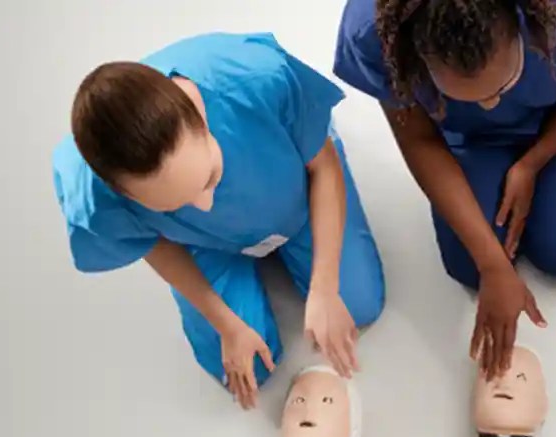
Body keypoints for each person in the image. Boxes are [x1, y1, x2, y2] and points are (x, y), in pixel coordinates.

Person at [52, 33, 385, 410]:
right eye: (176, 205)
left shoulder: (257, 81)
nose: (206, 205)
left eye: (210, 178)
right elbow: (150, 243)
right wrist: (226, 323)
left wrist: (324, 288)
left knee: (357, 305)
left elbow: (323, 166)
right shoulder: (98, 199)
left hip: (295, 189)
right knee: (247, 369)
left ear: (200, 112)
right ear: (123, 194)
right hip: (202, 244)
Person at [333, 0, 556, 377]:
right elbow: (419, 139)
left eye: (502, 84)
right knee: (469, 268)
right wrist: (492, 265)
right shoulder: (377, 33)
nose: (490, 105)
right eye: (463, 93)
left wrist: (535, 160)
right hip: (463, 131)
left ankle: (547, 130)